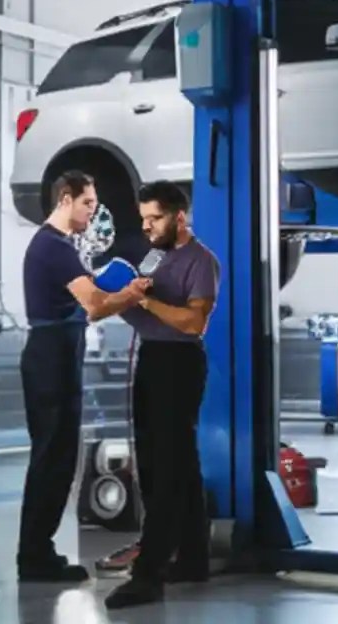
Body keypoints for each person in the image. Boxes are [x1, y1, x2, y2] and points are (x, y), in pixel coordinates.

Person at [16, 170, 151, 582]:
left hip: (58, 354)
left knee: (59, 458)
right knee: (51, 459)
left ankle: (39, 550)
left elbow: (88, 288)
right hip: (50, 358)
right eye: (88, 203)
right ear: (65, 200)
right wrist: (131, 294)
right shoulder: (54, 247)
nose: (93, 212)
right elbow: (93, 305)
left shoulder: (61, 248)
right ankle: (34, 555)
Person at [105, 180, 220, 610]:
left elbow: (193, 323)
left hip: (180, 363)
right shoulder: (154, 255)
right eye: (143, 220)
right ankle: (193, 558)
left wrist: (149, 303)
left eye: (154, 219)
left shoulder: (201, 262)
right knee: (177, 462)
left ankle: (148, 574)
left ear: (179, 217)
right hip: (151, 358)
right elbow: (141, 297)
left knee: (164, 468)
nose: (148, 227)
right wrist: (121, 295)